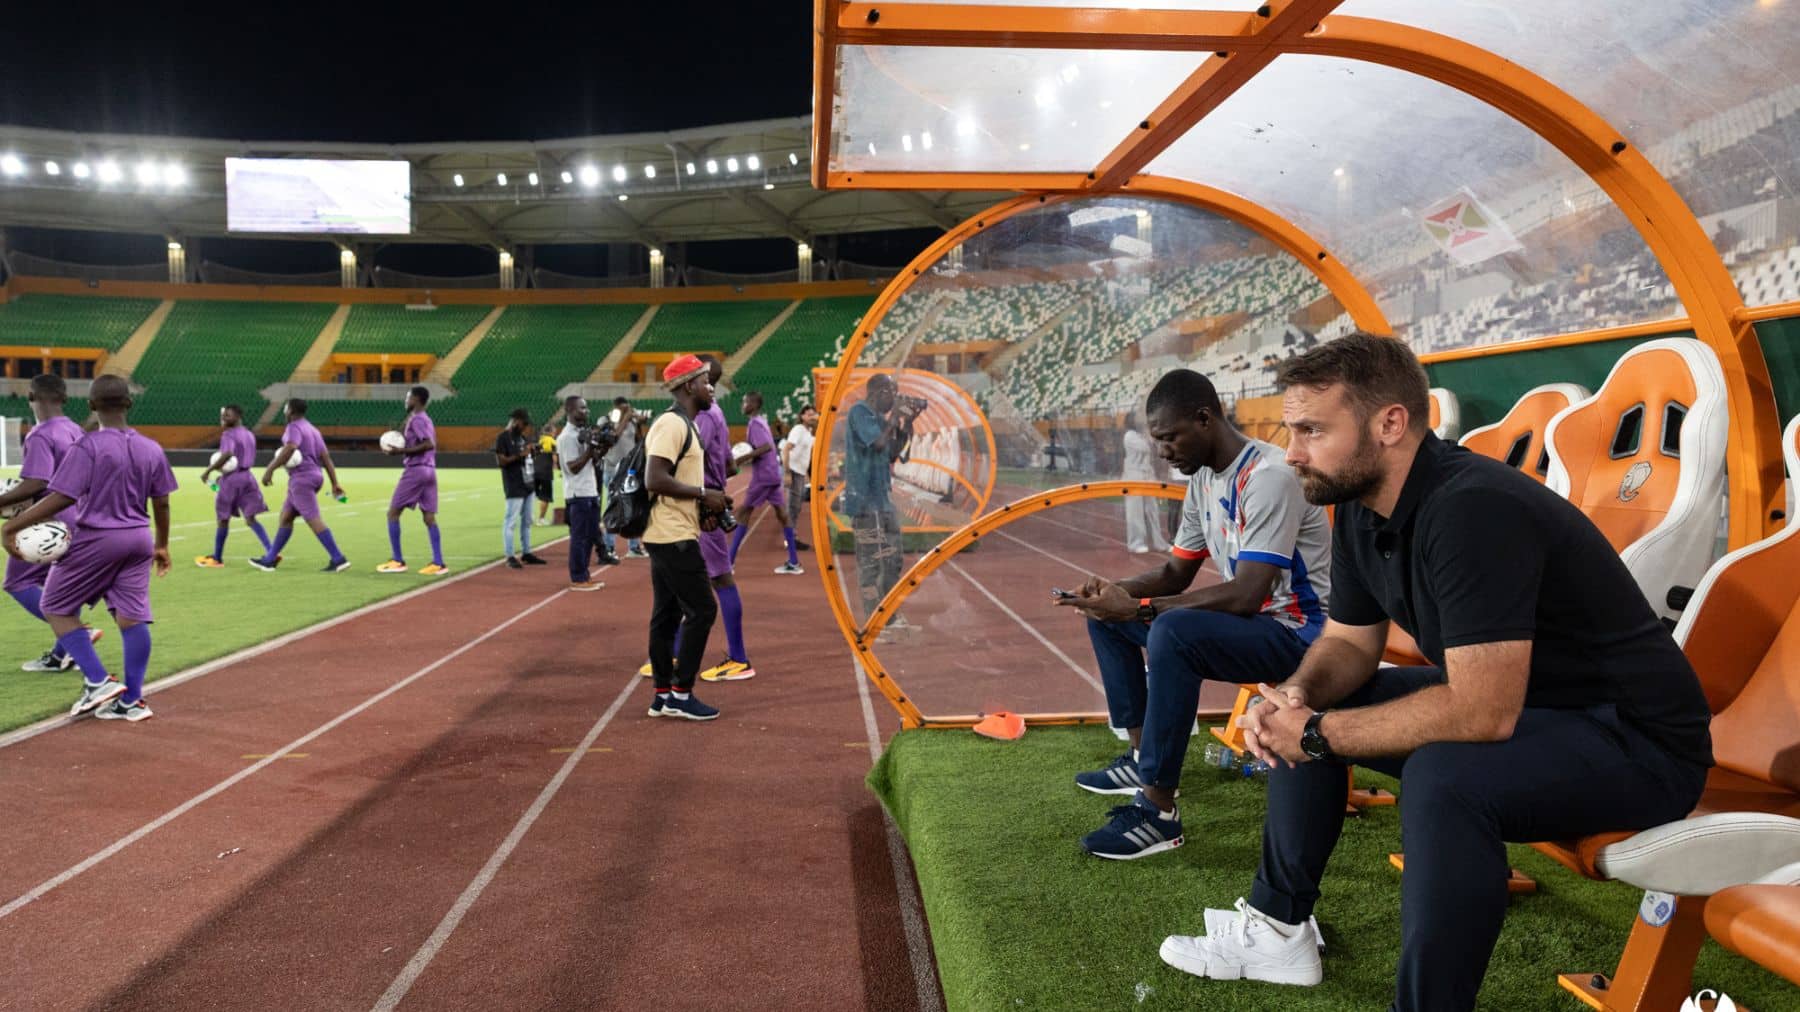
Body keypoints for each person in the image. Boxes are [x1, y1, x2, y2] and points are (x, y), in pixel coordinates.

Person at [1158, 334, 1712, 1012]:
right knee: (1331, 700)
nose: (1293, 451)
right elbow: (1350, 644)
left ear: (1390, 424)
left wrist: (1319, 733)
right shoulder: (1360, 505)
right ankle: (1277, 929)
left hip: (1639, 744)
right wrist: (1298, 698)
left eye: (1311, 430)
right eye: (1290, 430)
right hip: (1543, 712)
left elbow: (1483, 713)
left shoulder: (1472, 508)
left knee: (1444, 777)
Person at [1058, 370, 1329, 860]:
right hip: (1258, 626)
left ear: (1205, 419)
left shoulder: (1268, 477)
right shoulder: (1204, 478)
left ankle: (1159, 811)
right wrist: (1115, 594)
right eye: (1156, 440)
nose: (1162, 452)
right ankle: (1144, 760)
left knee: (1173, 630)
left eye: (1168, 438)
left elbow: (1247, 594)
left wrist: (1139, 606)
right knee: (1109, 617)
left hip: (1303, 635)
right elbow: (1174, 573)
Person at [1, 374, 175, 723]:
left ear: (91, 406)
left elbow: (61, 495)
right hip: (139, 538)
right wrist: (162, 545)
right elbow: (162, 503)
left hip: (97, 537)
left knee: (54, 605)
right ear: (129, 403)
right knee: (132, 618)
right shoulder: (152, 447)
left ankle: (97, 682)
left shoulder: (89, 445)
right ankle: (133, 701)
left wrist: (11, 526)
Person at [642, 354, 728, 721]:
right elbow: (654, 479)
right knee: (703, 609)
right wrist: (702, 495)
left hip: (672, 530)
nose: (712, 388)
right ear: (689, 385)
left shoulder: (685, 425)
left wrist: (704, 510)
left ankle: (663, 694)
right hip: (671, 534)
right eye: (707, 381)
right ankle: (681, 692)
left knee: (667, 614)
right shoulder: (672, 424)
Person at [0, 373, 101, 672]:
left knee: (17, 582)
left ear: (31, 398)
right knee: (60, 585)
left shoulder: (41, 434)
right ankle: (61, 655)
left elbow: (36, 482)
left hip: (48, 519)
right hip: (78, 516)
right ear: (65, 399)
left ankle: (77, 634)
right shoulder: (73, 429)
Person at [689, 355, 756, 681]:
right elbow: (730, 465)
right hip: (706, 497)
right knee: (686, 579)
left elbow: (691, 455)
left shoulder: (703, 414)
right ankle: (675, 653)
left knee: (719, 578)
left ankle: (739, 658)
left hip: (703, 504)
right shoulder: (717, 413)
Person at [844, 373, 922, 623]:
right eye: (893, 392)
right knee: (870, 563)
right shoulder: (859, 412)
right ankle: (873, 619)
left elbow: (891, 454)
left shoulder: (879, 418)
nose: (896, 398)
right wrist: (895, 417)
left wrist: (907, 423)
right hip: (864, 500)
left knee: (894, 559)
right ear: (878, 392)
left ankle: (887, 613)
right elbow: (877, 444)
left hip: (882, 499)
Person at [250, 398, 350, 573]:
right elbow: (325, 457)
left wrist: (270, 469)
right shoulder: (313, 429)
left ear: (290, 410)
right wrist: (335, 483)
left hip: (301, 479)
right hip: (313, 476)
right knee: (286, 517)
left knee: (313, 519)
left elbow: (290, 447)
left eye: (285, 409)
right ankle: (270, 559)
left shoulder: (293, 427)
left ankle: (338, 558)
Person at [730, 391, 804, 575]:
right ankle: (794, 561)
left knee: (743, 513)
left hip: (763, 476)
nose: (742, 405)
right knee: (782, 514)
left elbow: (765, 447)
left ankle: (729, 562)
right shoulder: (761, 421)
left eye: (745, 401)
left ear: (753, 405)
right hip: (772, 474)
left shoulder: (755, 423)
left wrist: (742, 458)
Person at [376, 386, 448, 576]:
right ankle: (439, 563)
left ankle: (398, 560)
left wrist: (400, 451)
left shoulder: (417, 419)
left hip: (416, 470)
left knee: (392, 513)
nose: (406, 400)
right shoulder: (425, 419)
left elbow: (428, 444)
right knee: (429, 517)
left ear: (416, 399)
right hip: (430, 470)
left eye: (408, 397)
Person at [196, 403, 274, 569]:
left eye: (228, 415)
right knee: (251, 518)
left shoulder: (228, 434)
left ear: (238, 416)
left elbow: (228, 454)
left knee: (223, 519)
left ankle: (217, 558)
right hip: (248, 478)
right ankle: (271, 551)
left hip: (231, 479)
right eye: (224, 415)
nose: (224, 418)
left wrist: (208, 471)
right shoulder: (249, 434)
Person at [556, 395, 607, 591]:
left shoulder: (581, 433)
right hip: (578, 494)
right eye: (581, 408)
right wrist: (590, 449)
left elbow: (592, 460)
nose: (586, 411)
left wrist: (602, 447)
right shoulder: (567, 437)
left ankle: (584, 575)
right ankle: (577, 577)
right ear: (570, 410)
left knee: (590, 535)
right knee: (580, 537)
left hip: (589, 490)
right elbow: (572, 468)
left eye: (586, 408)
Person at [495, 408, 546, 570]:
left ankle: (526, 552)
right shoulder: (503, 438)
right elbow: (501, 461)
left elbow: (526, 457)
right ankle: (510, 556)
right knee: (510, 521)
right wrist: (520, 455)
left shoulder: (522, 438)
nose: (526, 427)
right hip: (514, 484)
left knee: (527, 521)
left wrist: (533, 453)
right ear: (516, 421)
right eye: (524, 424)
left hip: (527, 484)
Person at [1121, 413, 1172, 555]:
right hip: (1133, 476)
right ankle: (1135, 543)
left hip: (1147, 475)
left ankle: (1159, 543)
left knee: (1153, 510)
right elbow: (1148, 447)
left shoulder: (1142, 435)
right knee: (1134, 512)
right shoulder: (1129, 436)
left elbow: (1156, 447)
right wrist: (1151, 436)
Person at [601, 397, 644, 560]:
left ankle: (633, 547)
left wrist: (638, 424)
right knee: (614, 507)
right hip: (612, 469)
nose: (628, 412)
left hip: (629, 469)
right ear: (617, 408)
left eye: (628, 409)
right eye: (624, 409)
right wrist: (625, 419)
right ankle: (609, 547)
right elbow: (612, 438)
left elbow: (639, 441)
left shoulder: (631, 421)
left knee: (632, 506)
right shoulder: (607, 420)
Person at [780, 404, 817, 548]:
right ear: (802, 417)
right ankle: (790, 539)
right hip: (793, 472)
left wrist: (806, 475)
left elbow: (806, 455)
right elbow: (786, 449)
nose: (812, 417)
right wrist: (788, 473)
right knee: (792, 507)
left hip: (800, 473)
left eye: (813, 414)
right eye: (808, 414)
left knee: (795, 507)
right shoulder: (798, 430)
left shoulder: (808, 433)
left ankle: (791, 537)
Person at [533, 423, 557, 526]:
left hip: (535, 470)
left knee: (532, 495)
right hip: (546, 471)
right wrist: (556, 465)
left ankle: (528, 517)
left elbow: (534, 454)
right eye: (554, 431)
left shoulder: (540, 441)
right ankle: (541, 519)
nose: (555, 433)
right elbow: (554, 456)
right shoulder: (552, 441)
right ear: (551, 432)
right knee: (545, 497)